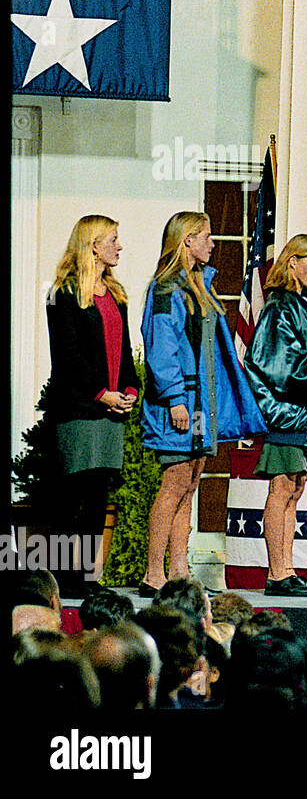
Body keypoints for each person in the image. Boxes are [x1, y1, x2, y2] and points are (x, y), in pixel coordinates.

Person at [140, 212, 266, 595]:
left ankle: (178, 572)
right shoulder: (166, 290)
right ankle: (152, 574)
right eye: (206, 237)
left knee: (191, 483)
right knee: (174, 483)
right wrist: (176, 400)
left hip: (202, 407)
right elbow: (162, 350)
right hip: (180, 405)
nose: (213, 244)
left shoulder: (200, 287)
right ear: (187, 241)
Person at [45, 215, 140, 596]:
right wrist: (101, 393)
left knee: (99, 496)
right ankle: (63, 578)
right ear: (93, 245)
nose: (120, 246)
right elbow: (67, 356)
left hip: (111, 410)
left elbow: (125, 352)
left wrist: (130, 389)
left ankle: (86, 577)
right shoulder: (63, 293)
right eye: (113, 239)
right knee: (75, 497)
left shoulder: (116, 294)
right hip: (80, 410)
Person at [244, 234, 307, 596]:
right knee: (283, 486)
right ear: (291, 262)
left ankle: (287, 569)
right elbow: (281, 366)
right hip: (286, 414)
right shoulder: (280, 307)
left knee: (296, 489)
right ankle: (278, 573)